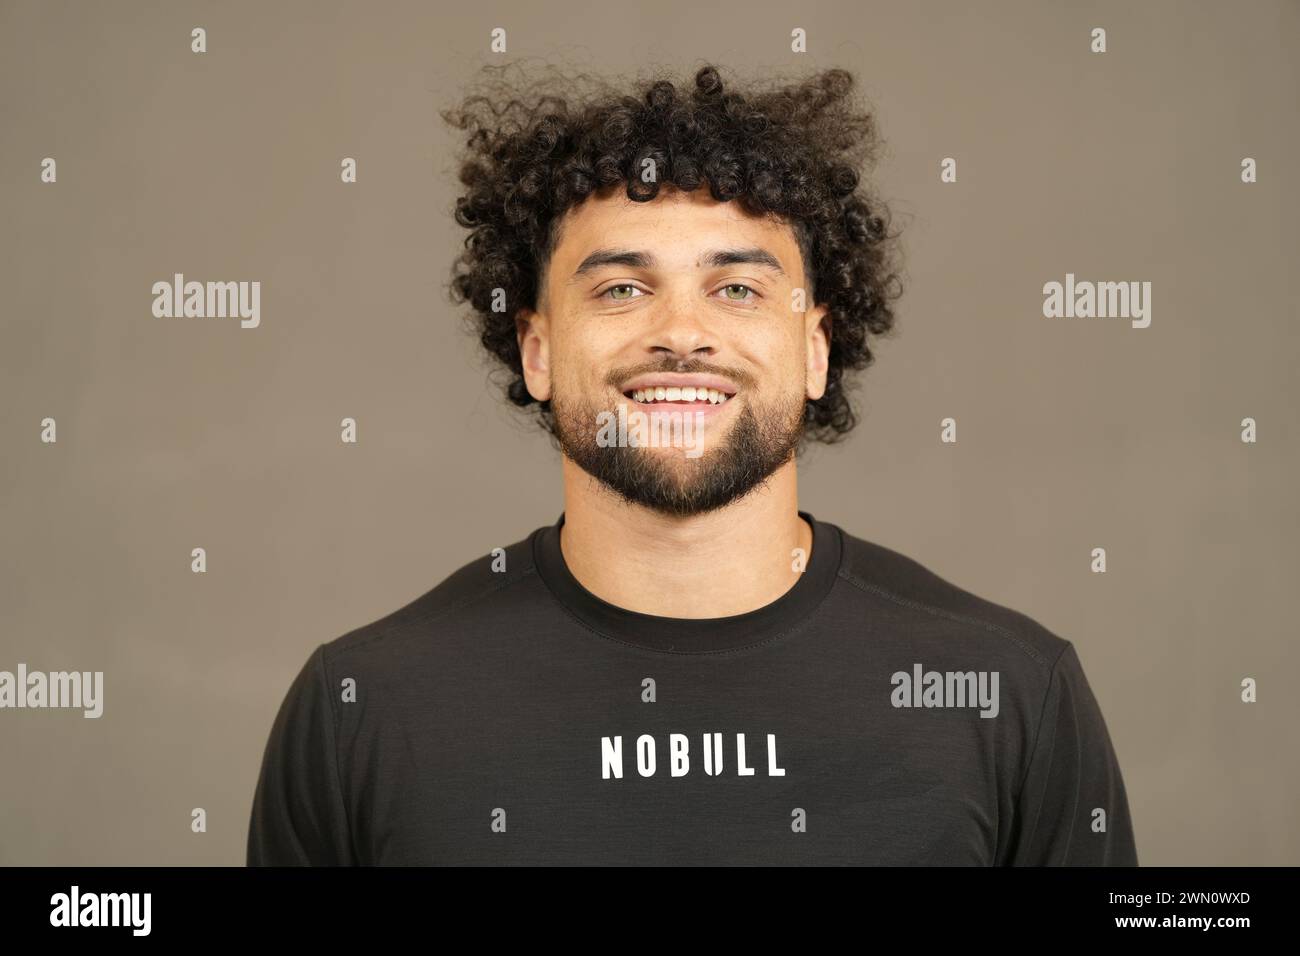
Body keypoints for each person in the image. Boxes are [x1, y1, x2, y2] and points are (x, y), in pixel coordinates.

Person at [246, 63, 1137, 865]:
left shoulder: (1008, 692)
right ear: (537, 351)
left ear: (817, 349)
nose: (680, 332)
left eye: (738, 289)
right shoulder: (362, 708)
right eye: (621, 288)